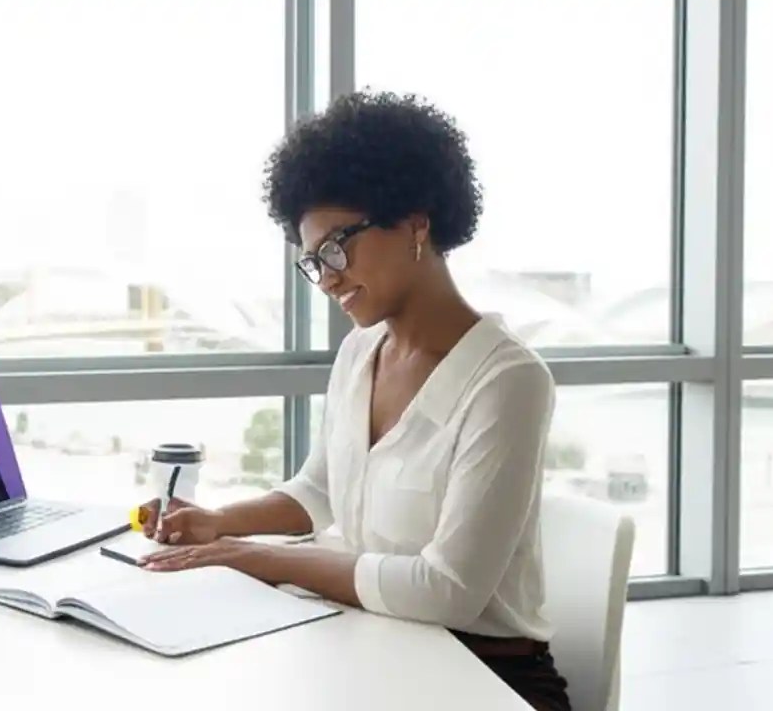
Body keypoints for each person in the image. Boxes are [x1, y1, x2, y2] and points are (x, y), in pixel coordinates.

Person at [139, 90, 571, 711]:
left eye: (338, 246)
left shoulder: (507, 380)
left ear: (416, 224)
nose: (329, 276)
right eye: (314, 261)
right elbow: (318, 492)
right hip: (378, 649)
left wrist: (256, 558)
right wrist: (217, 523)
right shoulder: (359, 353)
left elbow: (447, 591)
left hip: (484, 678)